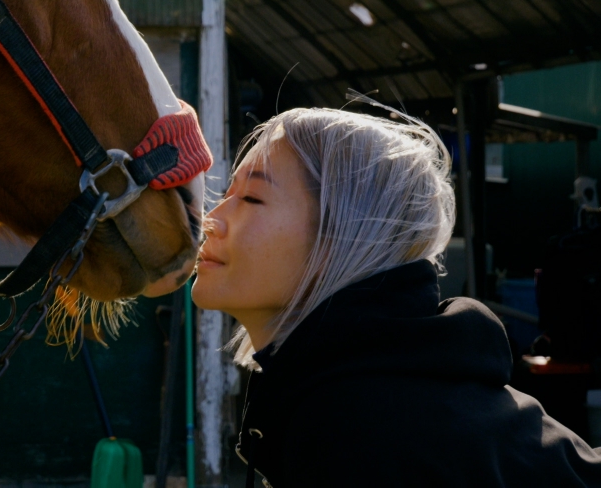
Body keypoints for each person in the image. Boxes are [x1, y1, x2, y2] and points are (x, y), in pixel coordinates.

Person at [191, 106, 601, 487]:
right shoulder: (356, 395)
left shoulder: (365, 432)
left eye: (251, 198)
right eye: (228, 194)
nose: (212, 219)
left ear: (343, 239)